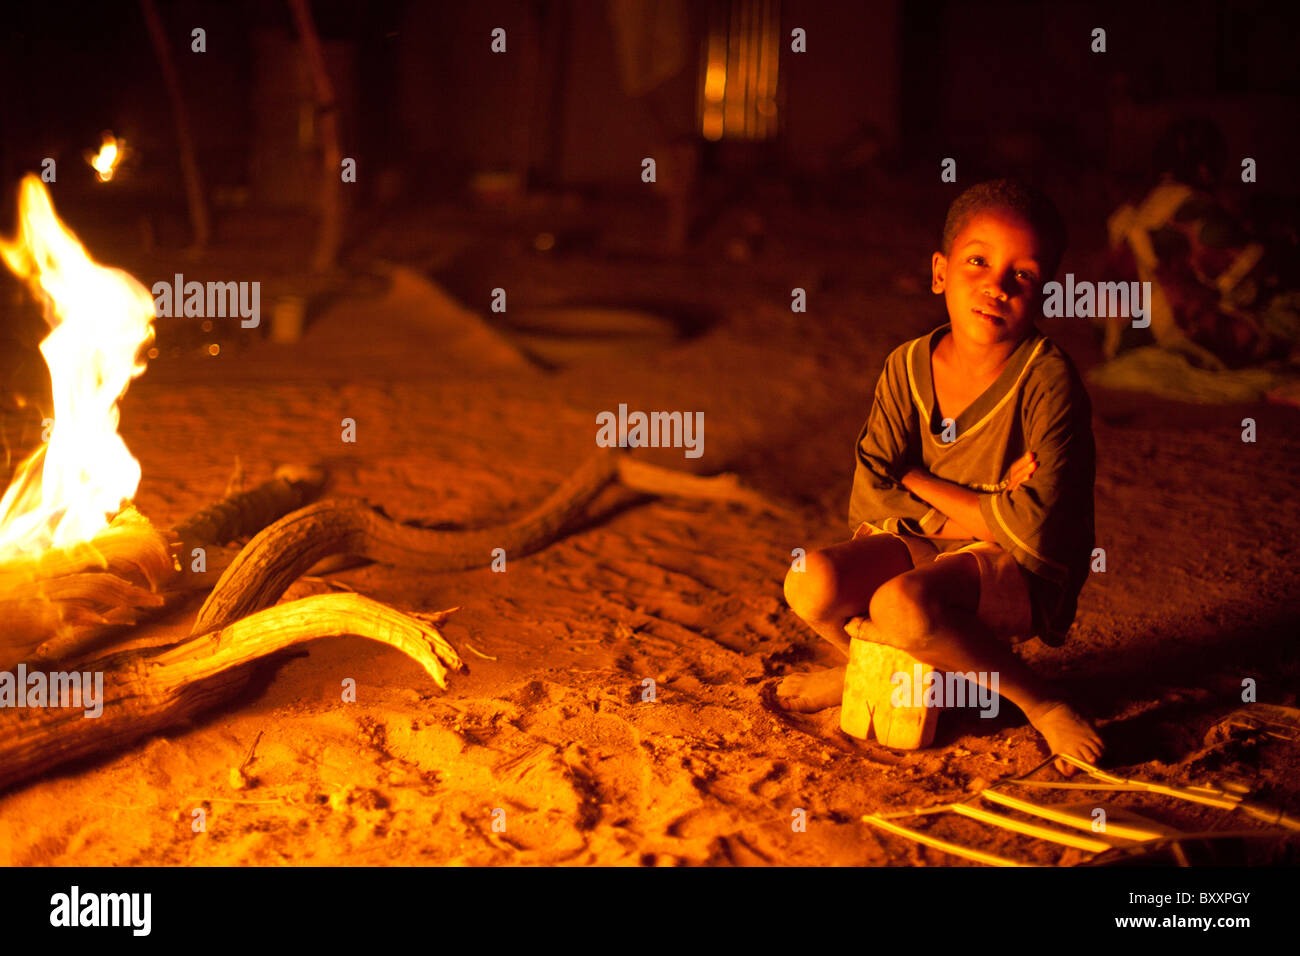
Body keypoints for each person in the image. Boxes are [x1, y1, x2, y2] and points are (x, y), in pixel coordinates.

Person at [779, 179, 1103, 774]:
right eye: (977, 261)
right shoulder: (905, 366)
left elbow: (1034, 524)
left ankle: (1041, 702)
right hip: (933, 544)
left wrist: (918, 477)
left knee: (902, 603)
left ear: (1043, 294)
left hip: (1017, 572)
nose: (995, 286)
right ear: (939, 270)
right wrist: (988, 498)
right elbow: (876, 481)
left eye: (1022, 275)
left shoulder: (1048, 381)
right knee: (810, 580)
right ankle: (865, 665)